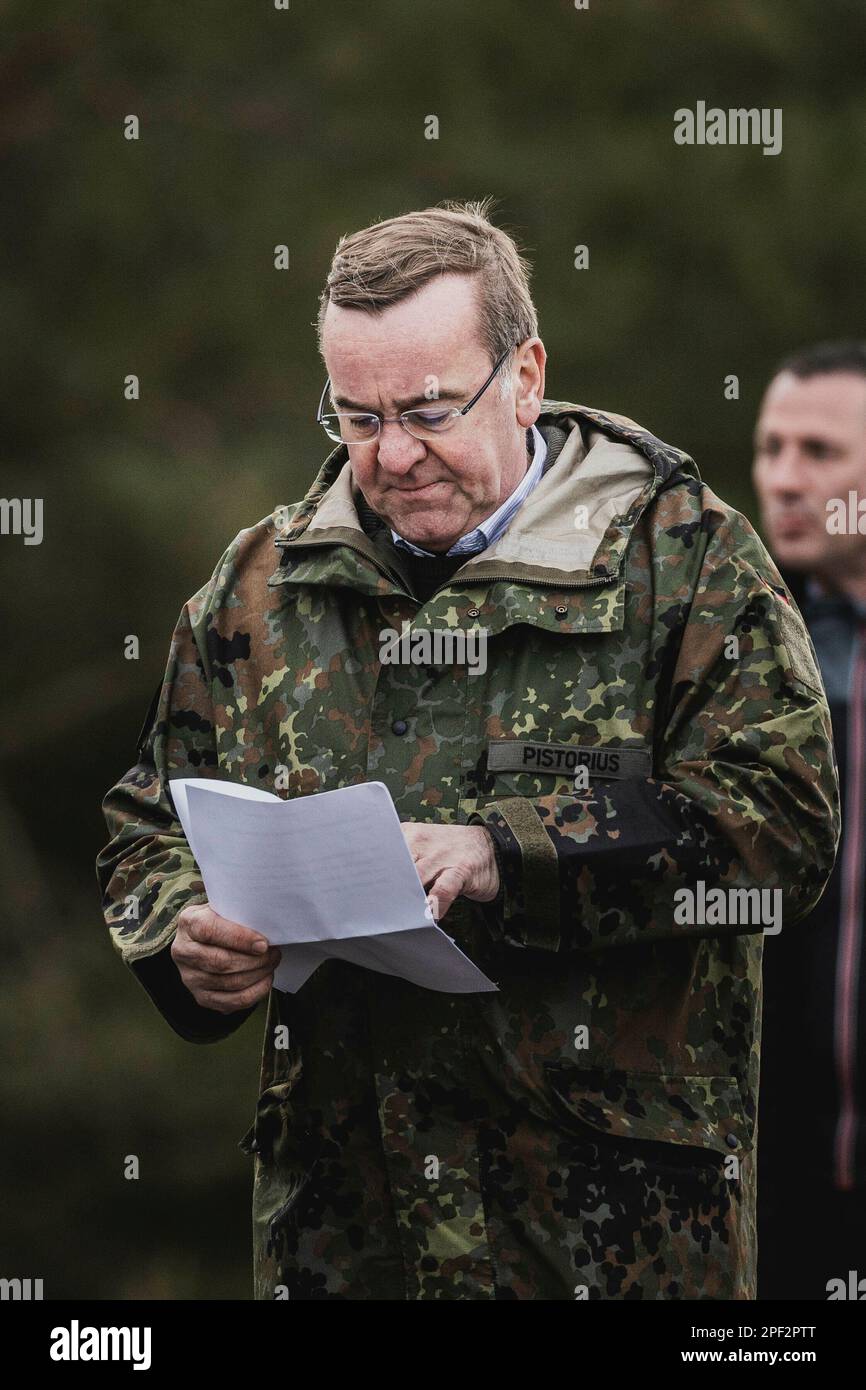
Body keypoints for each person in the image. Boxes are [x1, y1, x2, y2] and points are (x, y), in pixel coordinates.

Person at [97, 199, 839, 1300]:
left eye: (430, 410)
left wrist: (508, 850)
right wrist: (179, 934)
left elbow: (778, 823)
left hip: (605, 1234)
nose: (393, 454)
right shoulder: (261, 583)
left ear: (525, 375)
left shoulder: (679, 561)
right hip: (344, 1229)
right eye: (354, 416)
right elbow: (151, 815)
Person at [753, 341, 866, 1300]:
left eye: (820, 453)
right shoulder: (726, 653)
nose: (785, 479)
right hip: (764, 1183)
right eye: (772, 448)